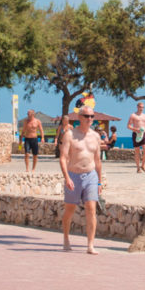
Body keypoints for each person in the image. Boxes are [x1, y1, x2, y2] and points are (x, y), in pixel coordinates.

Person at [60, 106, 103, 254]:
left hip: (90, 175)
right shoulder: (70, 135)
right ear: (79, 117)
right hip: (73, 175)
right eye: (86, 116)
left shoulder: (96, 136)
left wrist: (99, 181)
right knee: (70, 209)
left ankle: (90, 245)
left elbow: (98, 161)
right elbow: (63, 158)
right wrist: (67, 178)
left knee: (91, 209)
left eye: (92, 116)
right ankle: (66, 238)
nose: (90, 119)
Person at [128, 101, 145, 173]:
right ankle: (138, 168)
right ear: (137, 107)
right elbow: (128, 126)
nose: (141, 108)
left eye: (143, 107)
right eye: (140, 107)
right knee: (137, 151)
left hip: (144, 134)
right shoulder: (133, 115)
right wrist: (136, 129)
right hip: (136, 134)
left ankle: (143, 165)